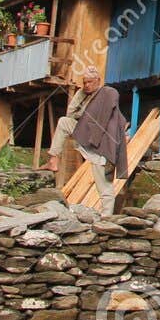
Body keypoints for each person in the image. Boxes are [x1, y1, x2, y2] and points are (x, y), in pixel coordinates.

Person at [47, 67, 129, 214]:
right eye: (84, 82)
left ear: (98, 81)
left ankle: (106, 218)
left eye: (90, 82)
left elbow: (106, 111)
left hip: (103, 144)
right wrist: (80, 93)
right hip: (87, 134)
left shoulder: (107, 93)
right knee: (64, 122)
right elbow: (70, 114)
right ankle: (54, 157)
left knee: (104, 186)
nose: (87, 85)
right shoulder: (85, 96)